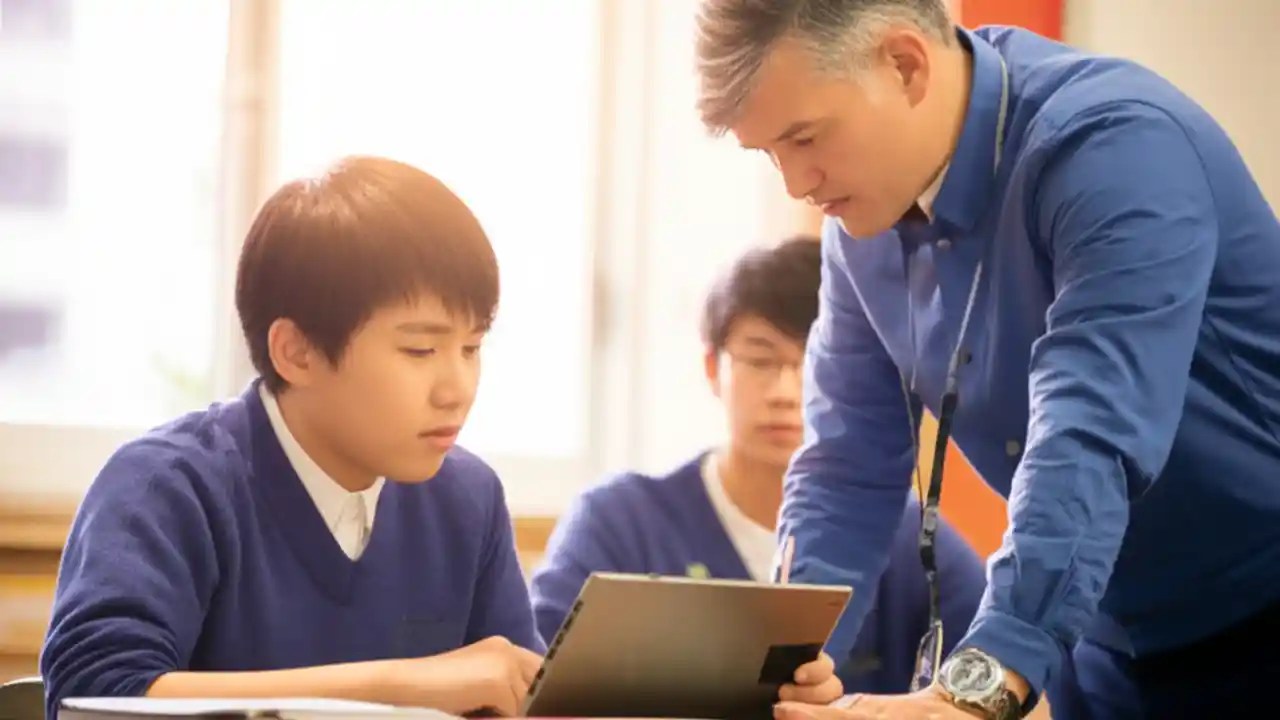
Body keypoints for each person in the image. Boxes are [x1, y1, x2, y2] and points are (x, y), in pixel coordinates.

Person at [694, 1, 1280, 719]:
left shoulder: (1115, 147)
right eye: (769, 154)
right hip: (1105, 640)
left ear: (905, 64)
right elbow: (846, 466)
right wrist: (786, 669)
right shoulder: (862, 225)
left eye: (805, 137)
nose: (795, 184)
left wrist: (970, 691)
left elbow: (1088, 439)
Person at [40, 157, 545, 718]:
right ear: (296, 352)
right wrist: (412, 684)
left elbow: (516, 697)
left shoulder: (467, 499)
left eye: (472, 348)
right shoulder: (168, 487)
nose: (458, 389)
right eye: (420, 350)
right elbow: (94, 696)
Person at [529, 236, 986, 694]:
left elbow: (994, 659)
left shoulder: (903, 532)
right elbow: (536, 678)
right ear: (713, 368)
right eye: (761, 360)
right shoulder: (619, 523)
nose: (785, 392)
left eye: (813, 362)